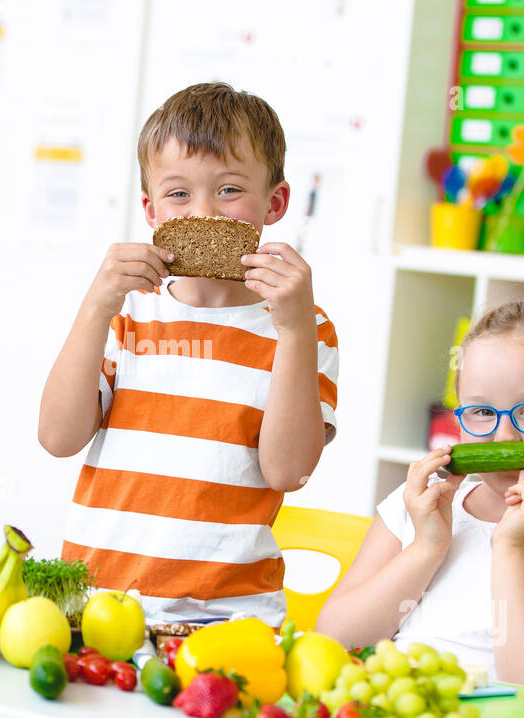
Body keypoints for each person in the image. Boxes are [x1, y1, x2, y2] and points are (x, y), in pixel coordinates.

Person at [39, 82, 339, 627]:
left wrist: (294, 331)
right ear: (151, 210)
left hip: (225, 616)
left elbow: (288, 470)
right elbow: (59, 438)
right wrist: (94, 306)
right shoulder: (127, 311)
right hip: (94, 604)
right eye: (179, 195)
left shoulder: (303, 326)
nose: (202, 213)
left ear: (275, 203)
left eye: (228, 190)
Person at [317, 296, 524, 692]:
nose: (504, 435)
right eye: (481, 412)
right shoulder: (416, 508)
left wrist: (510, 549)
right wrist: (426, 548)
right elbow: (337, 641)